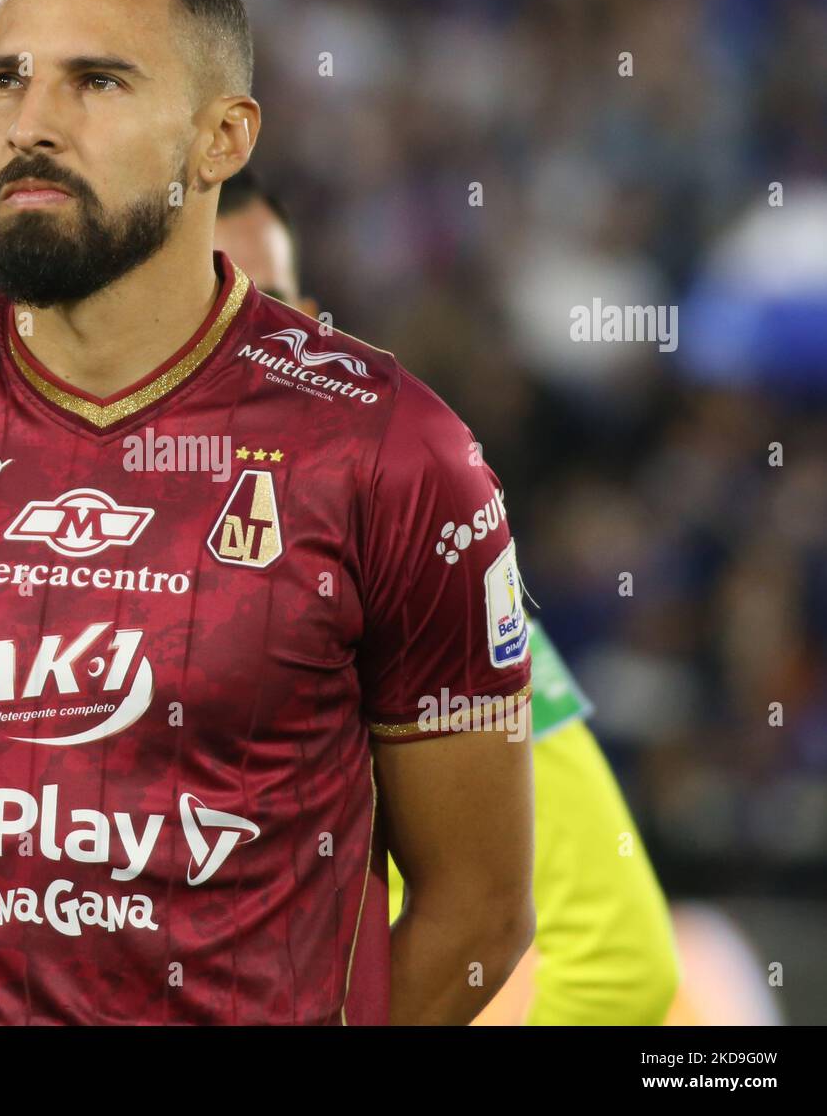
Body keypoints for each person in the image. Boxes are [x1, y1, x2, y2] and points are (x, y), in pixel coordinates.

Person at [0, 0, 534, 1025]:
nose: (29, 124)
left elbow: (479, 914)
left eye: (97, 82)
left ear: (222, 138)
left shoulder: (392, 454)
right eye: (2, 80)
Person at [215, 168, 680, 1024]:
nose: (237, 352)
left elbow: (620, 964)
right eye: (197, 317)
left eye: (269, 310)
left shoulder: (438, 585)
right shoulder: (56, 581)